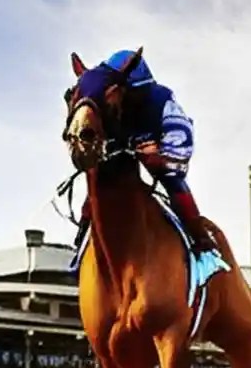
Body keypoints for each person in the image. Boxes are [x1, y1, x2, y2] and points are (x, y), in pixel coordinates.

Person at [72, 48, 215, 253]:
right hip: (120, 151)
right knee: (98, 184)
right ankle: (81, 238)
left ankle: (201, 238)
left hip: (158, 147)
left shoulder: (162, 102)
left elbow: (182, 149)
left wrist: (161, 158)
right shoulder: (106, 102)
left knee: (174, 182)